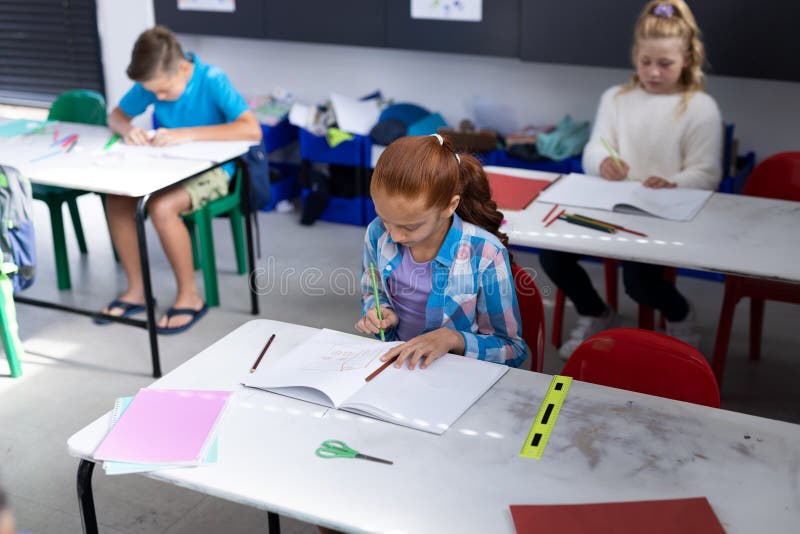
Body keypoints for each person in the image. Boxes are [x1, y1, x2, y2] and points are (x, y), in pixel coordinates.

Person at [541, 0, 723, 358]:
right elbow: (593, 151)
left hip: (663, 216)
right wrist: (603, 162)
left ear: (687, 59)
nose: (653, 72)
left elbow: (707, 172)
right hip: (612, 208)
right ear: (635, 56)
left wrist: (675, 182)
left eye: (665, 64)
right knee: (553, 256)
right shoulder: (616, 99)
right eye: (645, 62)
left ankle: (681, 315)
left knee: (640, 283)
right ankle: (596, 312)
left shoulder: (700, 107)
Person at [100, 26, 262, 333]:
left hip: (217, 170)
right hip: (167, 166)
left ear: (183, 68)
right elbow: (116, 116)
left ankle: (190, 297)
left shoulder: (212, 79)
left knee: (162, 207)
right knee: (118, 198)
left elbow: (251, 130)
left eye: (163, 91)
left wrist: (187, 133)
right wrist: (126, 129)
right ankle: (137, 291)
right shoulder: (152, 82)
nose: (157, 97)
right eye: (152, 92)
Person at [355, 134, 527, 370]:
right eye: (386, 220)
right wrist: (380, 311)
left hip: (457, 378)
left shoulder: (485, 252)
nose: (394, 237)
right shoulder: (377, 232)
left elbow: (512, 349)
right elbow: (371, 292)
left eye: (410, 226)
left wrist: (453, 339)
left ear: (450, 205)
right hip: (396, 369)